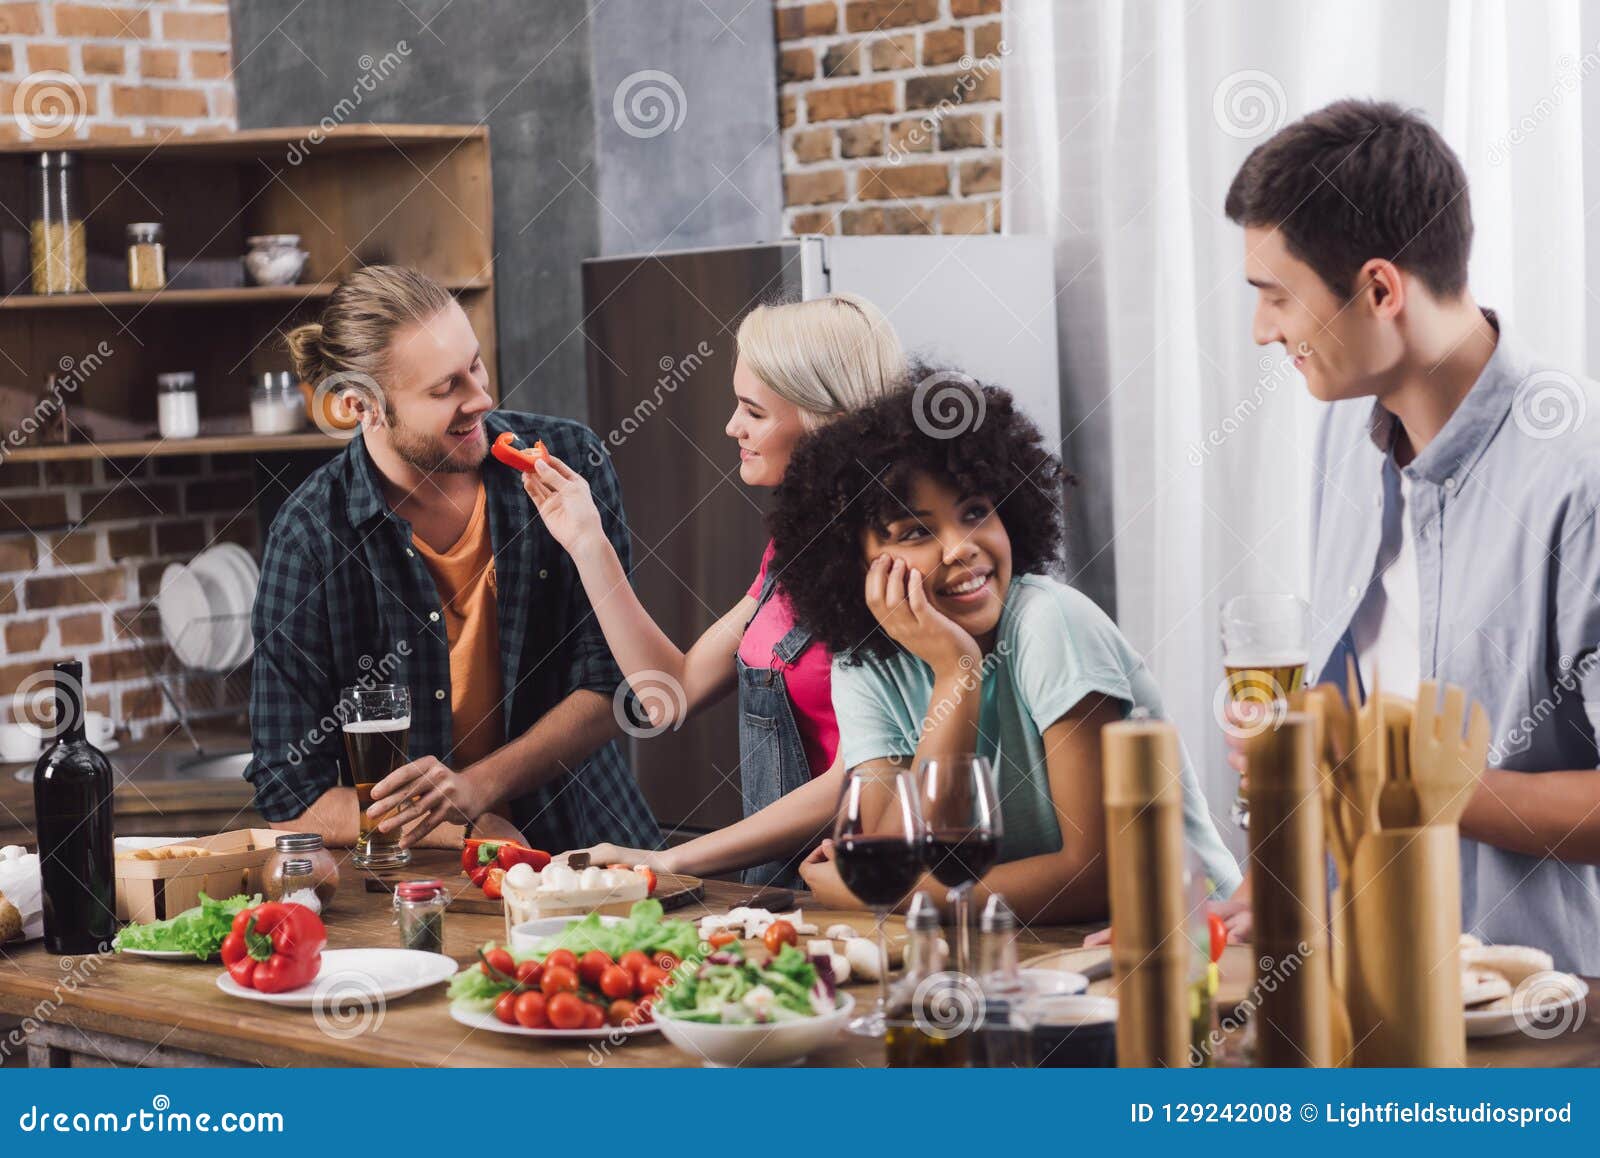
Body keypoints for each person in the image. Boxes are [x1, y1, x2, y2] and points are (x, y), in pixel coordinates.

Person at [1224, 99, 1600, 973]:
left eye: (1277, 297)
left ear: (1381, 289)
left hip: (1547, 1014)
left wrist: (1404, 771)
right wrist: (1263, 893)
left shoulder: (1579, 467)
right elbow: (1343, 736)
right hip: (1355, 973)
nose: (1263, 329)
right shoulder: (1346, 435)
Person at [767, 374, 1240, 922]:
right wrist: (957, 672)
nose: (962, 546)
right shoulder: (864, 665)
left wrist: (900, 896)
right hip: (1040, 955)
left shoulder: (1051, 623)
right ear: (855, 560)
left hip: (1192, 943)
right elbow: (895, 853)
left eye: (973, 512)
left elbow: (1096, 875)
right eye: (916, 532)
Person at [246, 265, 658, 854]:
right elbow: (290, 794)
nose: (481, 399)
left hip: (595, 850)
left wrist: (476, 788)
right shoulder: (311, 537)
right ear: (362, 405)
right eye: (445, 389)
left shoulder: (570, 462)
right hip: (428, 881)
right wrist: (464, 826)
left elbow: (616, 684)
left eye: (476, 366)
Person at [526, 294, 905, 885]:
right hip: (786, 888)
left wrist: (673, 858)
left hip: (863, 885)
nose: (732, 427)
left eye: (751, 411)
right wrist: (586, 541)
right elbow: (669, 693)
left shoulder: (893, 562)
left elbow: (863, 774)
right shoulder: (793, 553)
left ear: (822, 421)